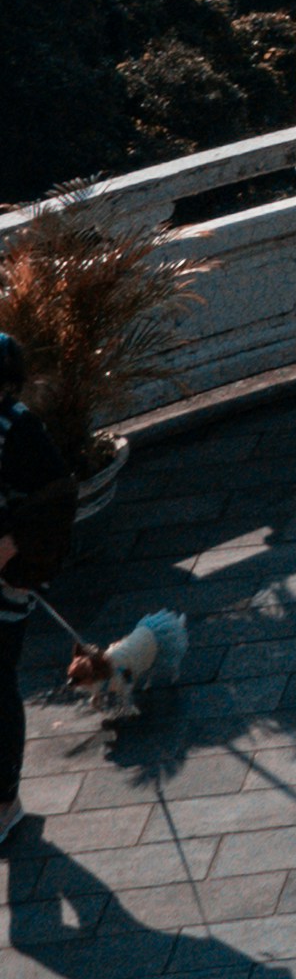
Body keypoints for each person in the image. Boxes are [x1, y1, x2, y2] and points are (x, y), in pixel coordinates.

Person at [0, 325, 76, 860]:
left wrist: (10, 546)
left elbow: (56, 496)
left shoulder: (19, 429)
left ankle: (5, 801)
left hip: (8, 576)